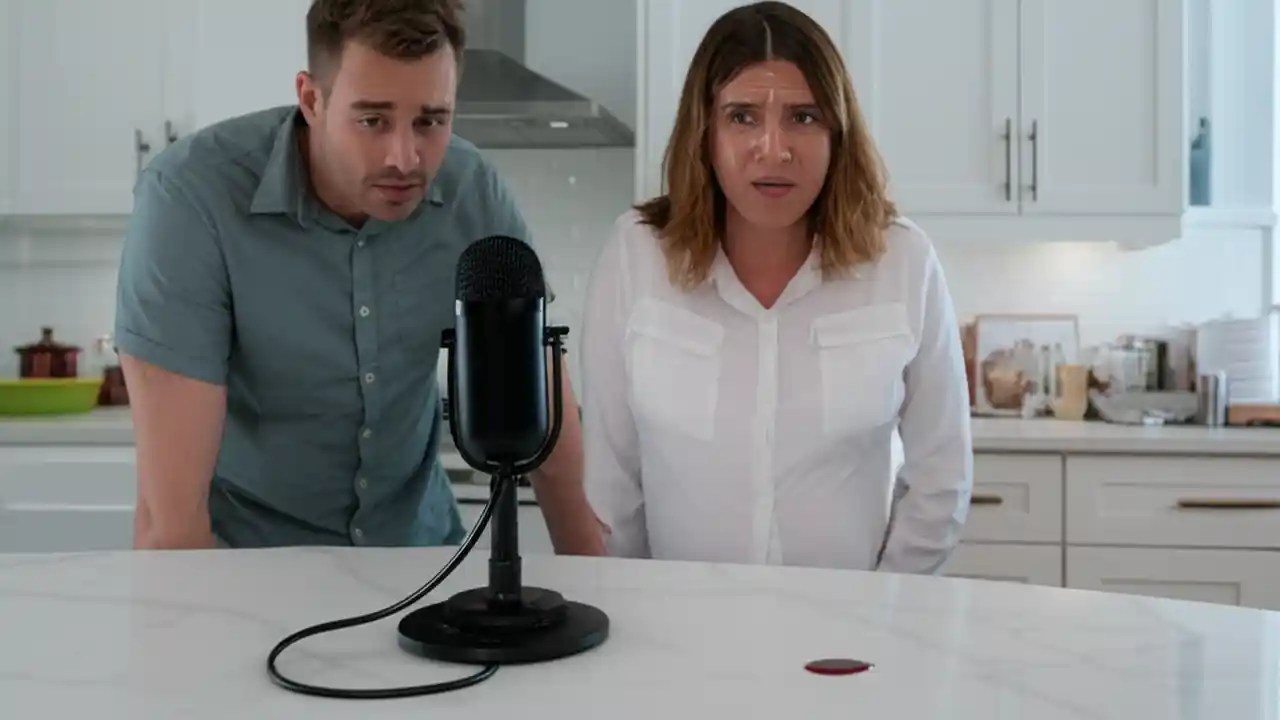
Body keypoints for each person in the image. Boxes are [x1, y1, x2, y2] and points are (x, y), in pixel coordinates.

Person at [115, 0, 603, 553]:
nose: (405, 157)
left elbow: (546, 415)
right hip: (248, 571)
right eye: (373, 120)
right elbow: (170, 521)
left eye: (431, 120)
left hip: (420, 559)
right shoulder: (191, 199)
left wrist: (591, 588)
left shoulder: (474, 194)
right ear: (311, 99)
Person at [579, 1, 973, 573]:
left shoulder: (902, 261)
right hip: (678, 632)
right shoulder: (636, 256)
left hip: (851, 639)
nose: (774, 148)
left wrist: (887, 609)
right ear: (704, 133)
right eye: (742, 116)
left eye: (803, 117)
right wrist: (645, 612)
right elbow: (611, 483)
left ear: (838, 134)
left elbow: (942, 475)